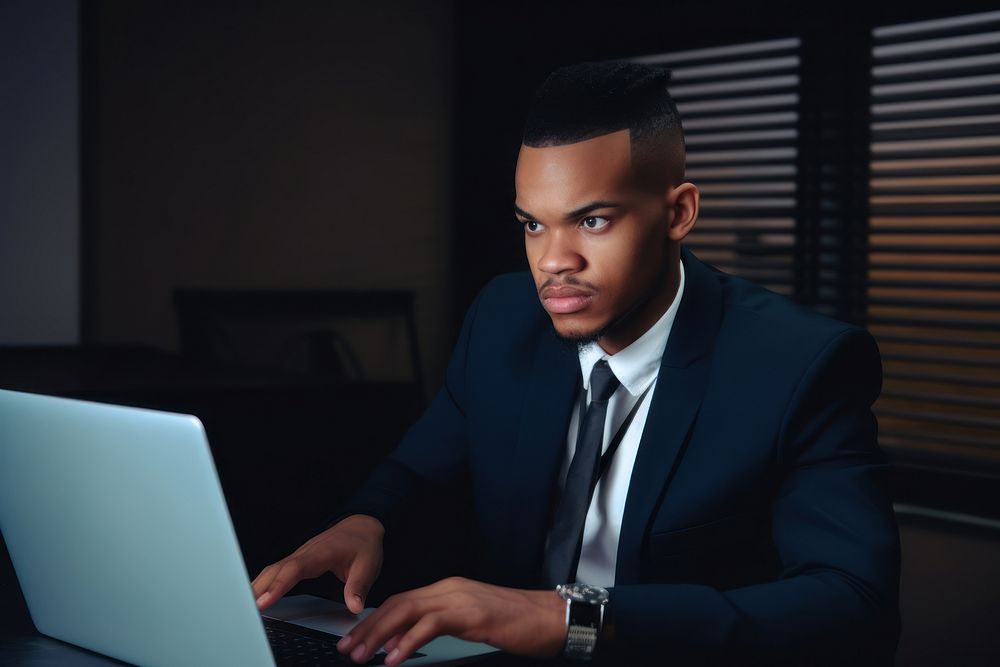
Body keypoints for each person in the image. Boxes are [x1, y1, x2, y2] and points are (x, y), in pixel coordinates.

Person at [252, 60, 900, 666]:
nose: (553, 261)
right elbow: (417, 470)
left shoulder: (800, 365)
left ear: (678, 213)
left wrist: (570, 618)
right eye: (533, 225)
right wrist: (367, 521)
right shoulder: (504, 317)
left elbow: (854, 604)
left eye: (591, 221)